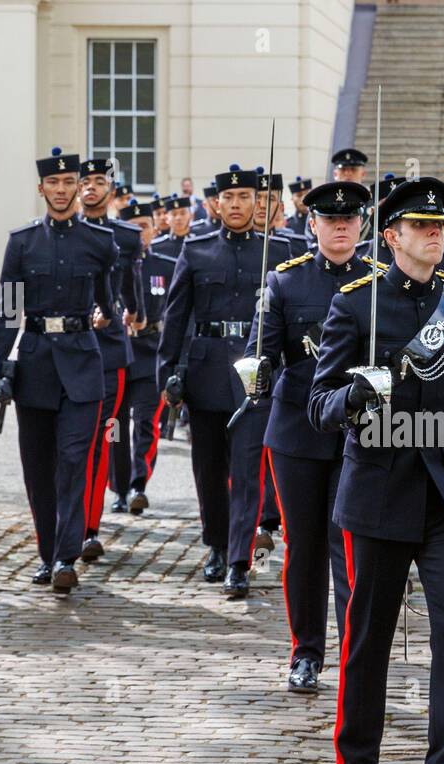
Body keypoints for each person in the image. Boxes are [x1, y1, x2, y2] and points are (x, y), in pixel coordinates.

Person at [308, 176, 444, 764]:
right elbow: (319, 405)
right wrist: (358, 395)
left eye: (442, 227)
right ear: (391, 236)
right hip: (379, 493)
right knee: (369, 640)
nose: (436, 236)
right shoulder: (355, 304)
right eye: (423, 227)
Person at [249, 181, 369, 693]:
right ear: (312, 224)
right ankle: (306, 652)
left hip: (360, 431)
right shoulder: (284, 282)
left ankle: (356, 653)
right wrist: (254, 370)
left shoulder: (379, 283)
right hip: (297, 428)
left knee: (352, 545)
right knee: (304, 546)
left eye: (349, 218)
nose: (340, 226)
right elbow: (265, 352)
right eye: (329, 218)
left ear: (362, 225)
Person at [0, 147, 118, 594]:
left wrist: (107, 316)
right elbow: (8, 311)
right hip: (36, 363)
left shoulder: (100, 242)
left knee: (73, 461)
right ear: (41, 188)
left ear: (80, 187)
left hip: (83, 363)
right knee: (38, 469)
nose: (61, 191)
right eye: (53, 184)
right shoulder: (22, 243)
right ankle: (48, 553)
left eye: (69, 184)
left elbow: (110, 298)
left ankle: (66, 556)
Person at [157, 163, 291, 591]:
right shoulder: (196, 251)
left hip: (255, 372)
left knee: (249, 468)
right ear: (216, 203)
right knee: (209, 469)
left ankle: (239, 557)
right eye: (228, 198)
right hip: (207, 370)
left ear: (258, 202)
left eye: (245, 197)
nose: (236, 205)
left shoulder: (278, 251)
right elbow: (175, 318)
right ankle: (216, 543)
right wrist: (168, 374)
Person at [78, 157, 142, 554]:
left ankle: (90, 523)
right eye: (83, 181)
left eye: (97, 181)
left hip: (110, 349)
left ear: (111, 189)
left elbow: (132, 293)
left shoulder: (127, 237)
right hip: (66, 349)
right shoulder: (57, 236)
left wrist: (128, 313)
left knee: (105, 435)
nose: (89, 187)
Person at [110, 199, 173, 515]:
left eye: (143, 227)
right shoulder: (109, 267)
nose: (138, 233)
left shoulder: (166, 266)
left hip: (152, 355)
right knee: (115, 427)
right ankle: (118, 488)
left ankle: (138, 485)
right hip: (117, 355)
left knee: (146, 423)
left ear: (152, 229)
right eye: (131, 228)